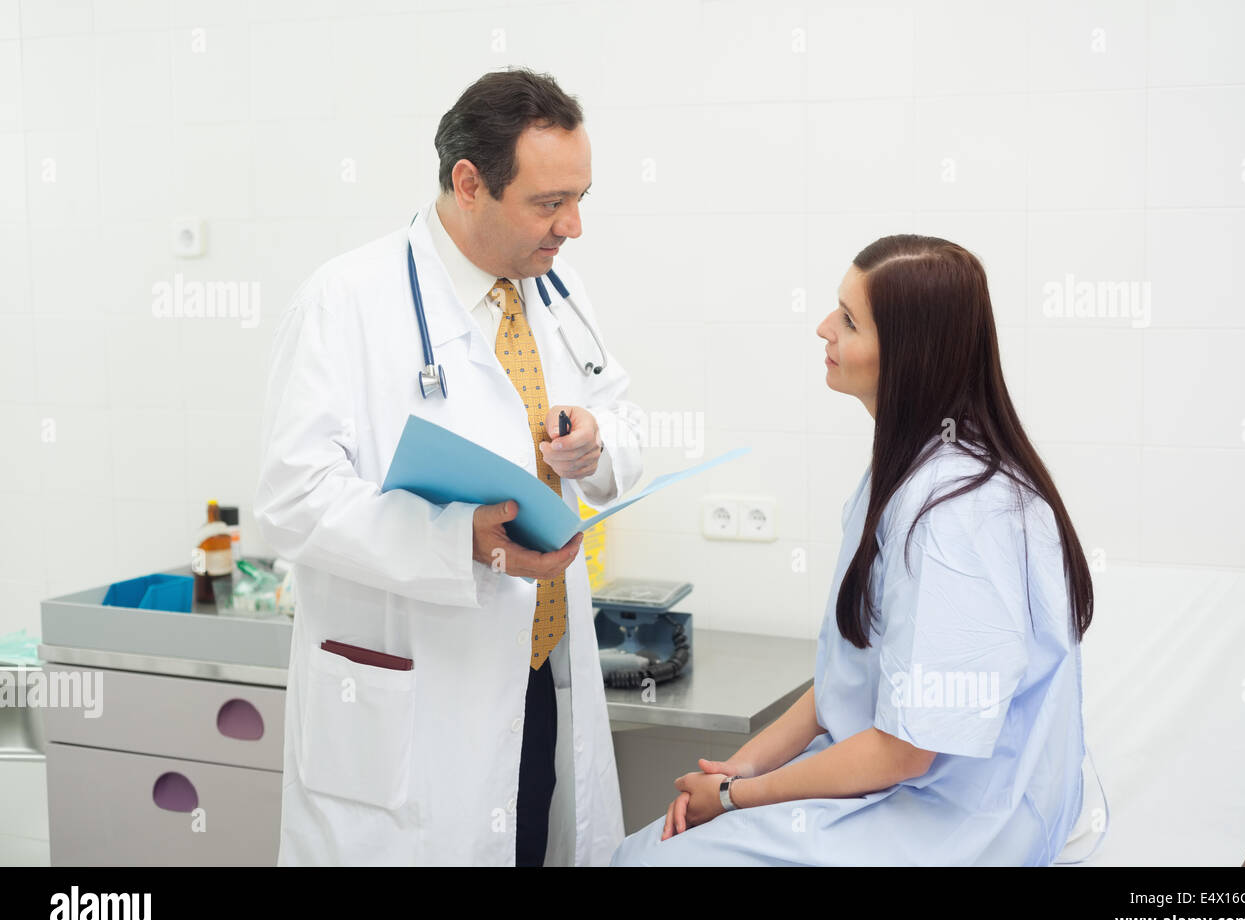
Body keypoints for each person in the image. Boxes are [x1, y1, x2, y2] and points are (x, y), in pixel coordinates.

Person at [255, 68, 644, 866]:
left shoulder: (558, 294)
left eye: (581, 199)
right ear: (469, 183)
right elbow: (293, 498)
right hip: (410, 701)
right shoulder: (346, 300)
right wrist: (454, 537)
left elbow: (627, 418)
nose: (572, 226)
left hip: (537, 680)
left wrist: (596, 444)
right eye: (548, 203)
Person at [611, 235, 1093, 866]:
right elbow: (853, 671)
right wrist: (742, 765)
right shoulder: (906, 472)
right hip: (893, 787)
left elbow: (906, 750)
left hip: (955, 821)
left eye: (847, 319)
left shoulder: (957, 518)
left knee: (656, 862)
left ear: (909, 354)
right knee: (644, 851)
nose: (822, 330)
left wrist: (736, 798)